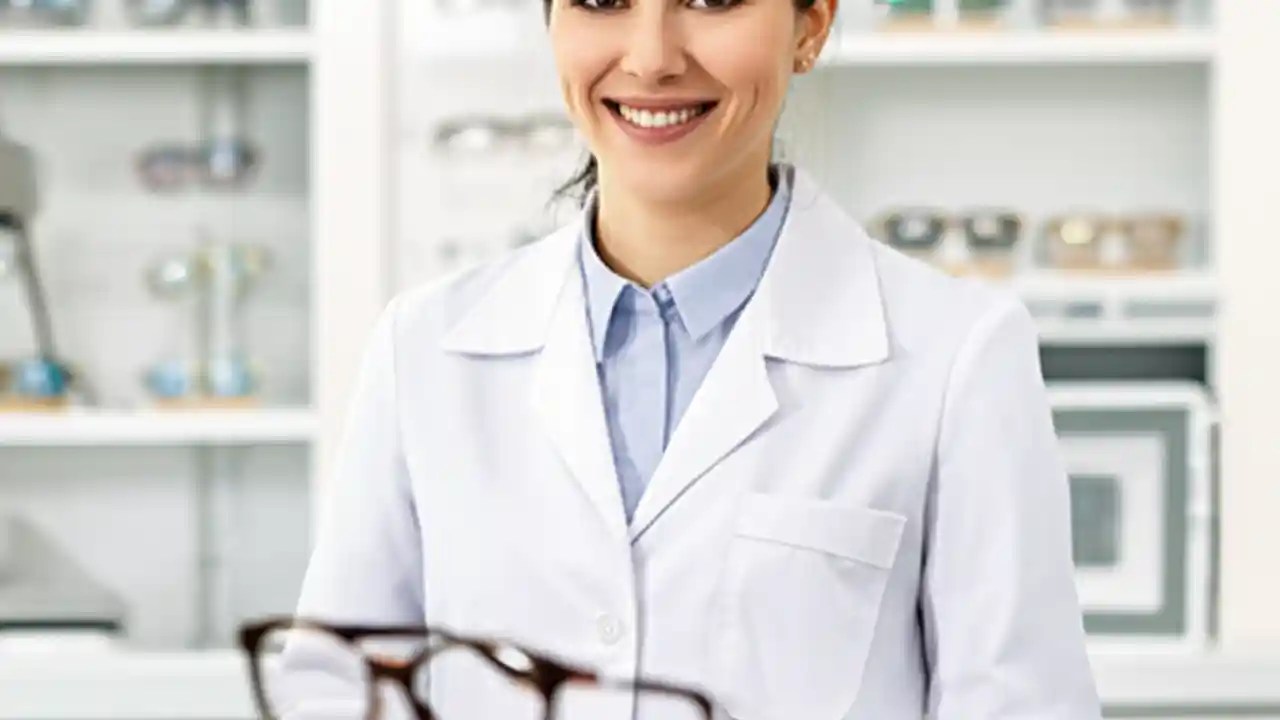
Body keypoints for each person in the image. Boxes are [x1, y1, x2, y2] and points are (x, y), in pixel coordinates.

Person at [295, 0, 1103, 717]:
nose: (651, 56)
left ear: (811, 24)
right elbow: (335, 686)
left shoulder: (955, 355)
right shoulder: (426, 350)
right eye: (601, 0)